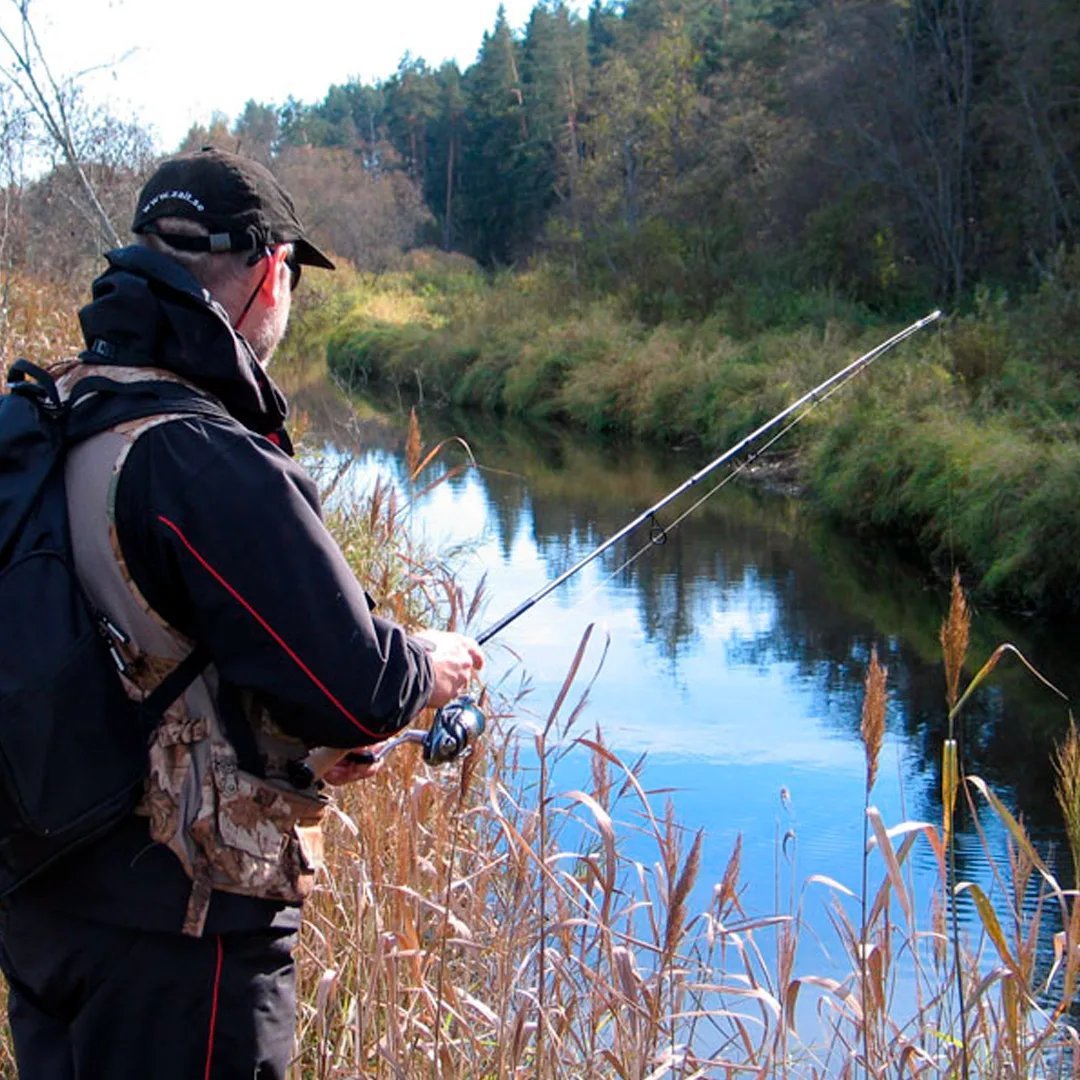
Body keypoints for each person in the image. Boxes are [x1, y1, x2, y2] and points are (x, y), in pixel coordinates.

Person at [0, 146, 484, 1079]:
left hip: (42, 902)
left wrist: (288, 740)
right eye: (293, 278)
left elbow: (147, 649)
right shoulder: (201, 456)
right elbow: (358, 686)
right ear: (271, 275)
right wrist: (428, 659)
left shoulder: (48, 411)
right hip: (181, 935)